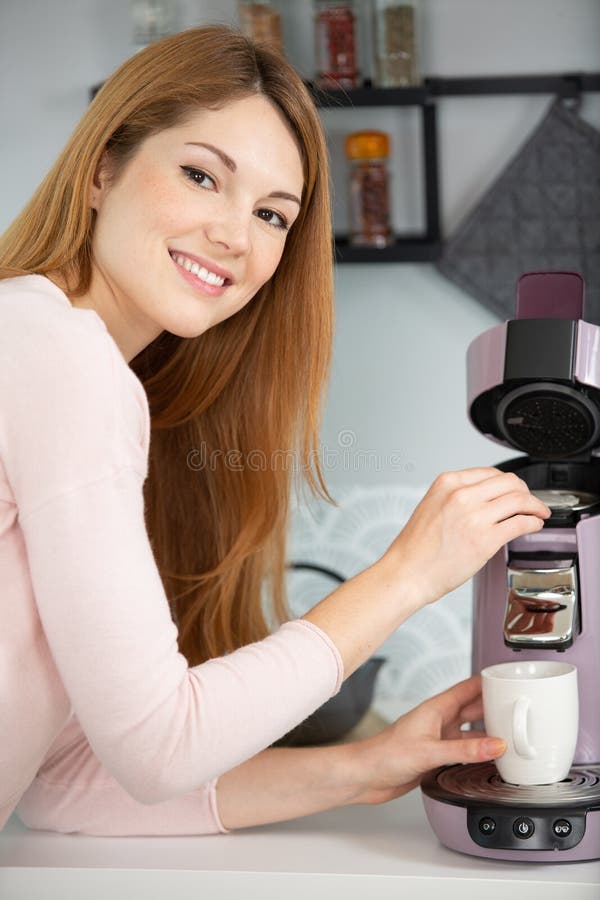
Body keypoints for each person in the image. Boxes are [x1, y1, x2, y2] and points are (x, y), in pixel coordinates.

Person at [0, 24, 550, 836]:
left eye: (271, 214)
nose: (234, 235)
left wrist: (364, 769)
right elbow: (161, 748)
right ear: (101, 168)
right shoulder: (58, 355)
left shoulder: (40, 345)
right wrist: (404, 575)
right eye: (199, 175)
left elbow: (60, 777)